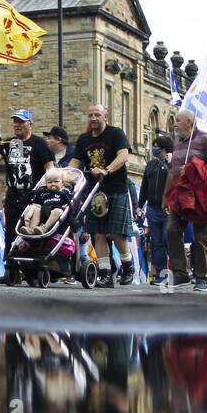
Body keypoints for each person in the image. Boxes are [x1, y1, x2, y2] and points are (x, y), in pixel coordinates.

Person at [69, 103, 134, 287]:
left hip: (116, 188)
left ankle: (127, 264)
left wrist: (106, 170)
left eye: (97, 114)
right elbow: (75, 162)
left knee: (116, 233)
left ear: (105, 117)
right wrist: (65, 176)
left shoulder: (116, 133)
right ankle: (105, 274)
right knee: (98, 233)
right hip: (94, 191)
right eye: (90, 115)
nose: (93, 118)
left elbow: (123, 156)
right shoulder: (83, 139)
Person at [162, 109, 207, 290]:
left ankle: (202, 278)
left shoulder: (206, 139)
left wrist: (193, 169)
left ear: (190, 121)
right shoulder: (178, 143)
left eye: (178, 120)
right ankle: (180, 273)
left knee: (201, 236)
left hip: (200, 194)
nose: (175, 123)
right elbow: (172, 173)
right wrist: (166, 196)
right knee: (172, 230)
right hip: (180, 194)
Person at [0, 109, 54, 283]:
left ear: (30, 125)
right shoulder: (11, 144)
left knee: (30, 233)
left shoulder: (39, 144)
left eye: (21, 122)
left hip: (33, 196)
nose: (17, 125)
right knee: (11, 232)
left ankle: (32, 271)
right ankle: (11, 269)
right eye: (15, 122)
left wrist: (47, 189)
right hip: (13, 195)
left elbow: (50, 169)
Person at [138, 134, 173, 280]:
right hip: (152, 208)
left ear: (165, 149)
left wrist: (169, 164)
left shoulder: (172, 164)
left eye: (157, 146)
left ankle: (177, 270)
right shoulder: (151, 165)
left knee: (167, 239)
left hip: (168, 210)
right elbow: (144, 186)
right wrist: (139, 205)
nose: (154, 148)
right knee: (156, 243)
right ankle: (161, 273)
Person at [20, 169, 72, 234]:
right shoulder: (43, 193)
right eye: (50, 182)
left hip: (56, 213)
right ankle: (31, 229)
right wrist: (36, 205)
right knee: (36, 209)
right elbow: (37, 203)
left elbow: (69, 202)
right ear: (46, 183)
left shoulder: (64, 191)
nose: (53, 184)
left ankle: (44, 228)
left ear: (62, 182)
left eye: (56, 181)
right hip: (43, 212)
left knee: (58, 211)